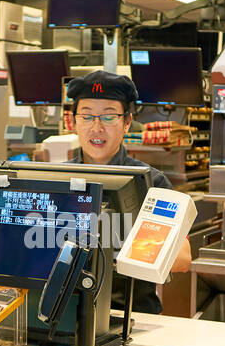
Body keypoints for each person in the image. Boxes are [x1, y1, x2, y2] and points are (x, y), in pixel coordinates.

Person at [64, 70, 192, 315]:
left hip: (134, 318)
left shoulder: (151, 182)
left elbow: (184, 259)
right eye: (87, 116)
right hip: (66, 316)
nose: (97, 127)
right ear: (73, 122)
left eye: (109, 117)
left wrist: (129, 249)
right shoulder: (53, 180)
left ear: (126, 122)